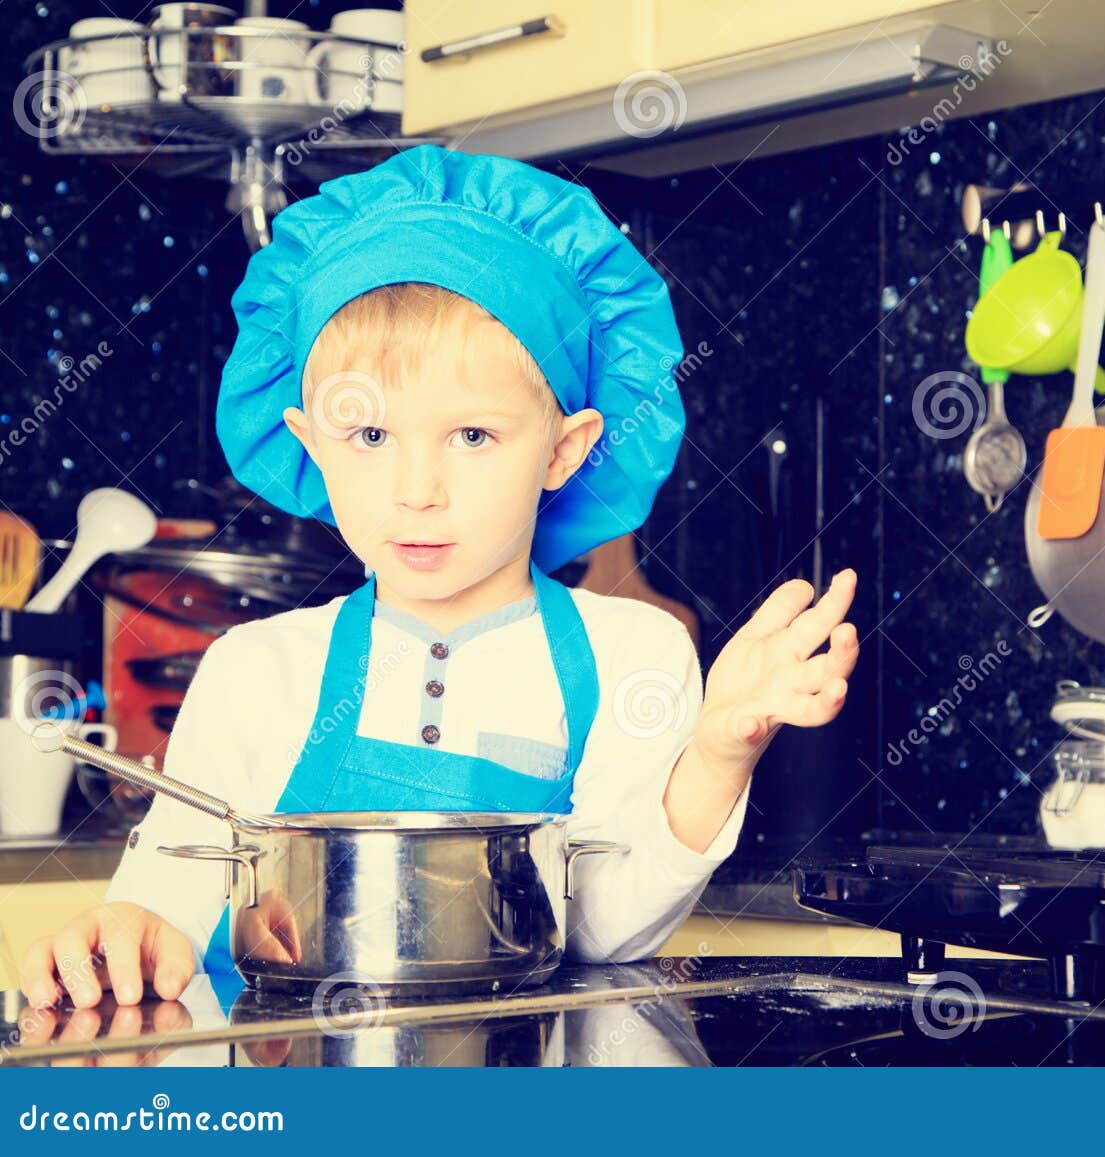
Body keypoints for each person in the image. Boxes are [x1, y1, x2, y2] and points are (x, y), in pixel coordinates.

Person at [19, 145, 858, 1011]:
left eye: (473, 437)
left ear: (563, 451)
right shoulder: (255, 668)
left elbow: (606, 929)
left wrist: (718, 754)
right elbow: (168, 893)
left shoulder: (631, 654)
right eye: (370, 436)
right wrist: (128, 930)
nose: (417, 492)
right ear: (311, 442)